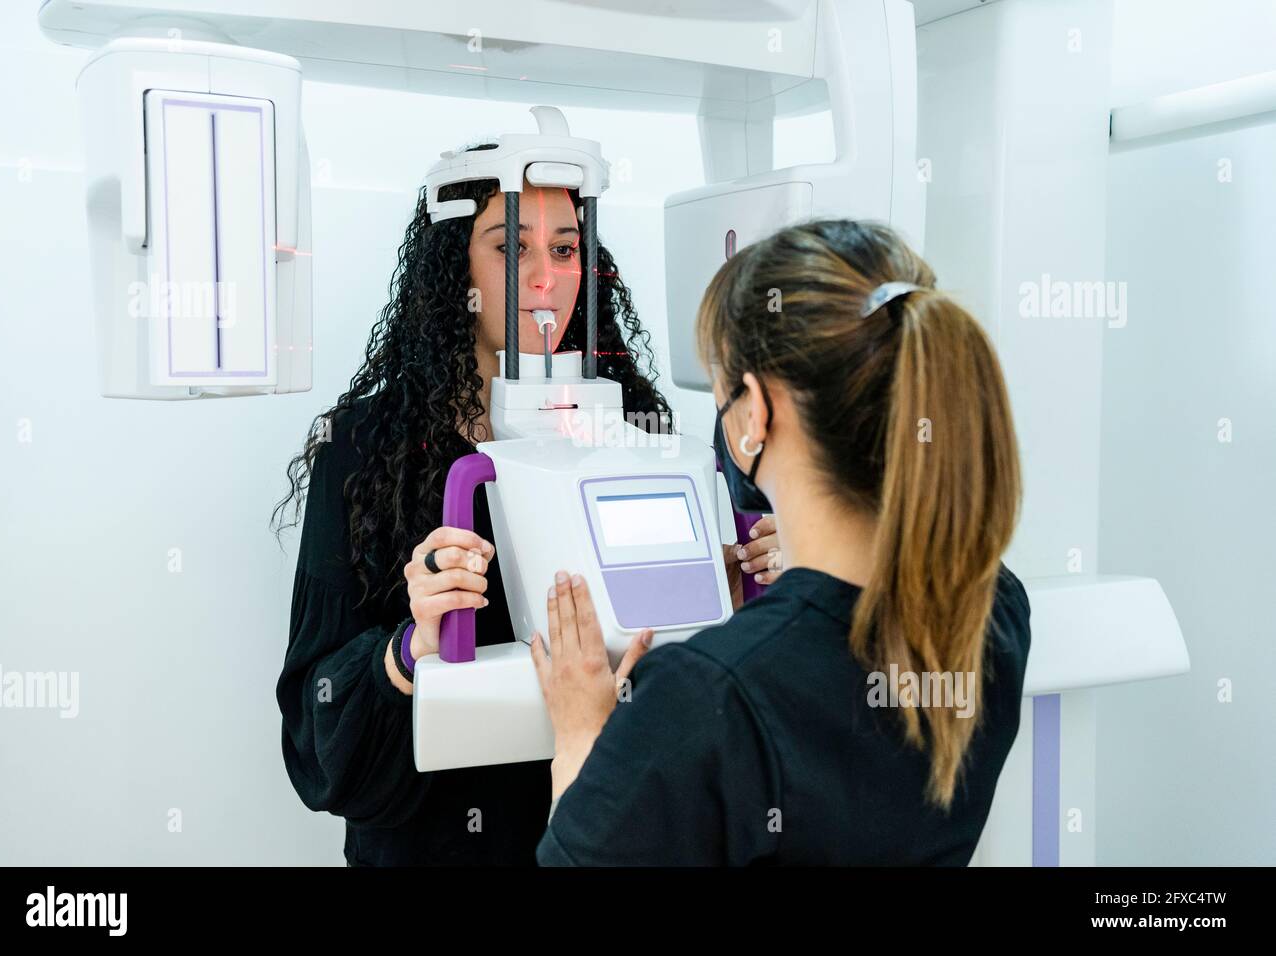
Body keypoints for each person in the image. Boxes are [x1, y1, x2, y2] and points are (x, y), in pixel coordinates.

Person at [269, 148, 765, 865]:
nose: (544, 278)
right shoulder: (365, 450)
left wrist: (739, 584)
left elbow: (678, 684)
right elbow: (315, 746)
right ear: (453, 266)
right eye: (510, 247)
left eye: (565, 249)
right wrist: (411, 648)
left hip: (593, 837)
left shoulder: (636, 433)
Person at [529, 218, 1032, 866]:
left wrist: (581, 738)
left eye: (721, 390)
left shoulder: (702, 694)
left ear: (758, 411)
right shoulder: (996, 614)